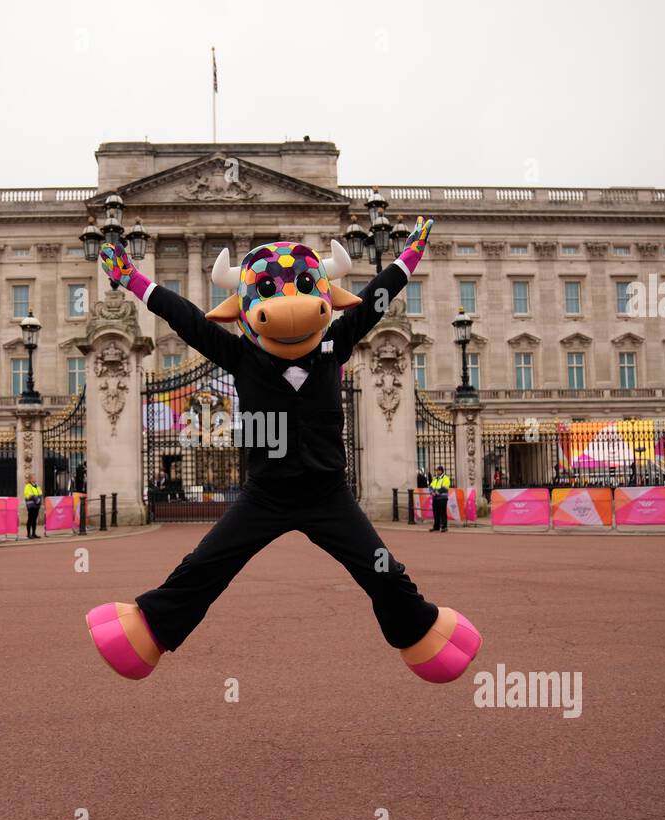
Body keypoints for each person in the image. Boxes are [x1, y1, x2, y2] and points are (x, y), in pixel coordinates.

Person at [85, 218, 482, 685]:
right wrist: (133, 279)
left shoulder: (335, 343)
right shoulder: (240, 355)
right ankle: (149, 628)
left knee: (383, 572)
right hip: (266, 495)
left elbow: (377, 299)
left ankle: (422, 632)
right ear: (244, 307)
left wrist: (408, 258)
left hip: (327, 494)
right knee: (205, 567)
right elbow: (185, 319)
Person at [429, 465, 451, 532]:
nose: (437, 472)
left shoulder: (446, 478)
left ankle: (444, 527)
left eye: (438, 470)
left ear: (441, 471)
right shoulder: (435, 478)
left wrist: (436, 493)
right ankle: (436, 527)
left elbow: (444, 488)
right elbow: (431, 486)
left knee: (442, 513)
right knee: (436, 513)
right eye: (437, 470)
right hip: (435, 498)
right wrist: (431, 492)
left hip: (442, 498)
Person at [23, 474, 43, 539]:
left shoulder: (37, 486)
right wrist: (37, 500)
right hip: (31, 505)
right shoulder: (28, 486)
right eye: (34, 477)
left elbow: (40, 493)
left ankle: (34, 534)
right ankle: (28, 534)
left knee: (34, 519)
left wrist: (39, 500)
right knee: (30, 519)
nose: (35, 478)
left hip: (36, 505)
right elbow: (29, 495)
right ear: (31, 479)